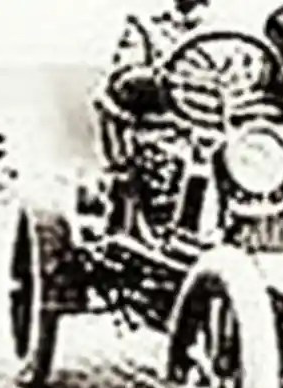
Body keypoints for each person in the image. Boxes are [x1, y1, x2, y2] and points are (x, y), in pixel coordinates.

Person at [96, 0, 215, 238]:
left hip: (222, 132)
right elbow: (122, 83)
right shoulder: (146, 29)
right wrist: (158, 82)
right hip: (164, 130)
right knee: (166, 162)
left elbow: (254, 76)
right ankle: (164, 235)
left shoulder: (228, 35)